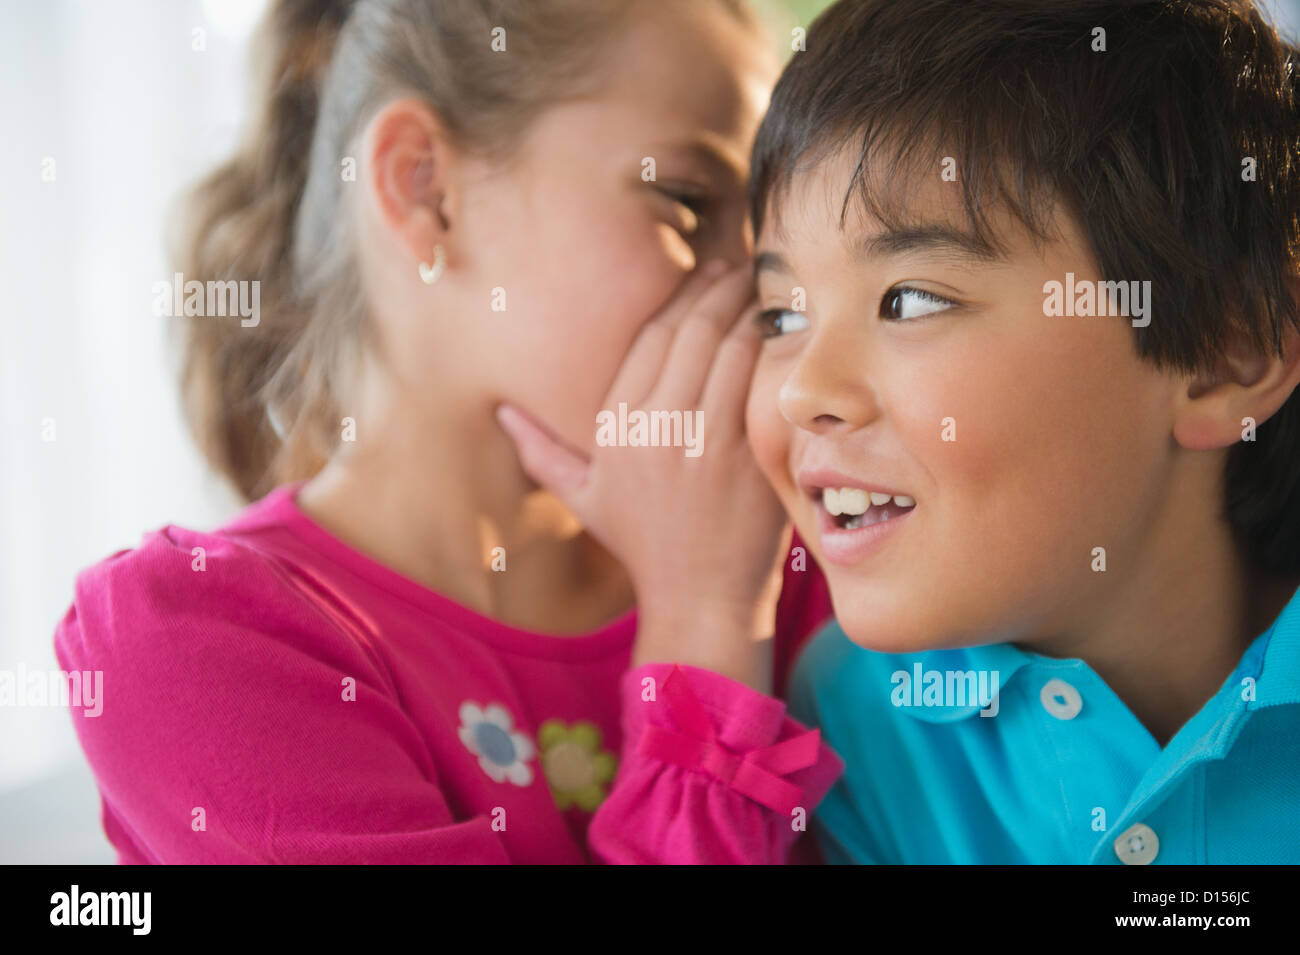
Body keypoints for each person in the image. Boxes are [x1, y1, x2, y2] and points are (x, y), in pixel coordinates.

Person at [54, 0, 842, 865]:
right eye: (687, 202)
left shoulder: (799, 559)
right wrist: (704, 617)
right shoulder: (202, 647)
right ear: (425, 189)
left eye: (763, 242)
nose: (752, 294)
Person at [743, 0, 1300, 863]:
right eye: (780, 314)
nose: (802, 391)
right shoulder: (845, 723)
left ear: (1227, 359)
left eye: (912, 299)